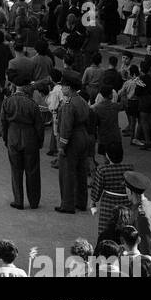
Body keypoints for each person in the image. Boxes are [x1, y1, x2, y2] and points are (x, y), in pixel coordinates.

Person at [1, 80, 43, 210]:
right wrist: (39, 142)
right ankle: (34, 201)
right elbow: (39, 126)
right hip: (30, 137)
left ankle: (18, 200)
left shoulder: (7, 101)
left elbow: (3, 123)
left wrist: (6, 139)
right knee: (32, 171)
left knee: (16, 170)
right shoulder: (32, 104)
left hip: (13, 135)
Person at [55, 70, 91, 214]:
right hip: (83, 136)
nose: (62, 88)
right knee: (81, 172)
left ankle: (67, 204)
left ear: (68, 87)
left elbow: (66, 127)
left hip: (72, 139)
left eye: (63, 86)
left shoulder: (69, 104)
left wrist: (62, 145)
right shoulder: (81, 100)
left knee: (67, 173)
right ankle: (81, 202)